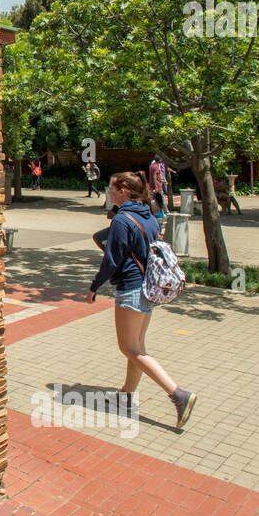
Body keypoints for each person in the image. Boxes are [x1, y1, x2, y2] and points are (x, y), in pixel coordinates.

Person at [85, 171, 197, 429]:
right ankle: (125, 395)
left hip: (130, 290)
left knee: (130, 349)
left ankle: (178, 395)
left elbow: (111, 260)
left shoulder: (122, 221)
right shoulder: (148, 216)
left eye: (112, 188)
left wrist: (94, 286)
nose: (108, 192)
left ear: (123, 190)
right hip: (147, 288)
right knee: (136, 347)